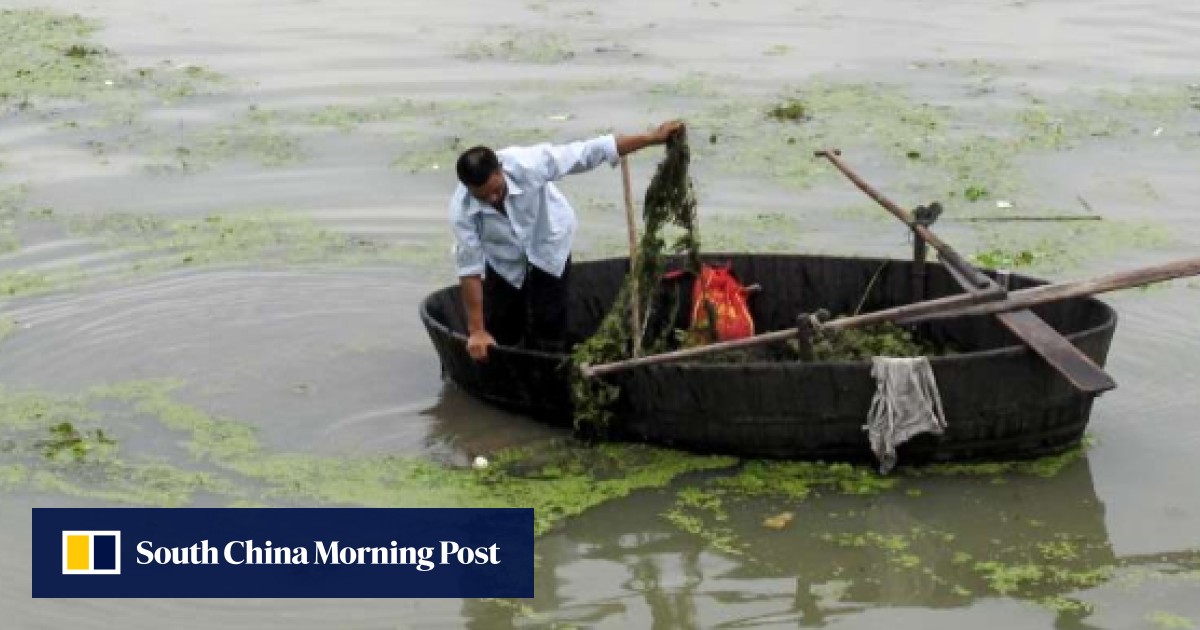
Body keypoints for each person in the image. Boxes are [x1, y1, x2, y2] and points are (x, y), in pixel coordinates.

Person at [450, 120, 684, 362]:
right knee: (500, 325)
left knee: (549, 319)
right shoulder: (462, 209)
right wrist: (477, 331)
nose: (493, 198)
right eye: (483, 196)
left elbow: (589, 152)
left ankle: (548, 363)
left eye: (496, 190)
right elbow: (470, 269)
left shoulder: (532, 163)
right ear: (468, 189)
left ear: (500, 170)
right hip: (503, 257)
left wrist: (652, 138)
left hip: (548, 241)